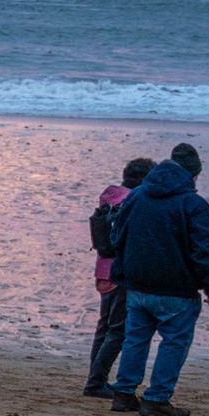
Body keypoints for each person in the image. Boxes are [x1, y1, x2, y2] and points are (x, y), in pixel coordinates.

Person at [108, 141, 209, 416]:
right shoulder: (193, 203)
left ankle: (124, 393)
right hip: (177, 288)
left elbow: (116, 237)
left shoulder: (136, 196)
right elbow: (203, 250)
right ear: (192, 174)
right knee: (174, 341)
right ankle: (156, 398)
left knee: (135, 339)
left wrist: (125, 269)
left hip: (138, 282)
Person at [84, 158, 151, 397]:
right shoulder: (132, 202)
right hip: (121, 272)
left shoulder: (110, 199)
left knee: (105, 327)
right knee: (118, 331)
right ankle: (96, 382)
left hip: (103, 269)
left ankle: (95, 378)